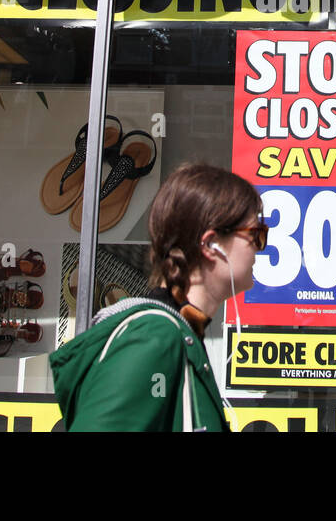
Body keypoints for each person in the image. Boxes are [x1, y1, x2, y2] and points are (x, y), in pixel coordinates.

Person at [50, 162, 266, 431]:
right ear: (212, 245)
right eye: (255, 235)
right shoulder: (155, 336)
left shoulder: (177, 334)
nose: (260, 248)